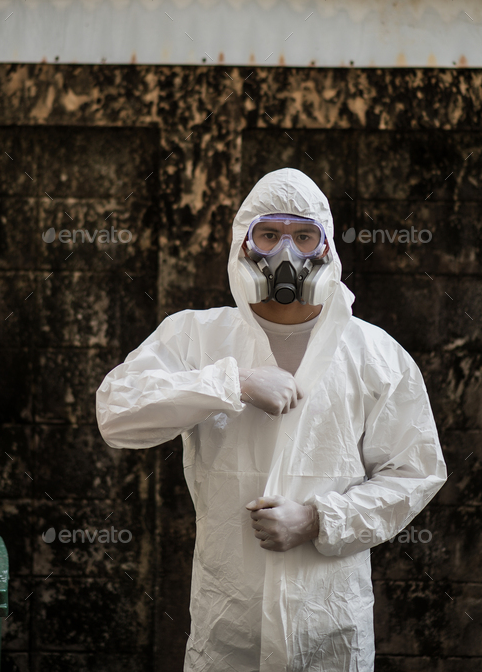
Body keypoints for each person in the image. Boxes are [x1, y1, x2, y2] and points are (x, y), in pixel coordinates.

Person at [96, 168, 447, 672]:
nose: (286, 252)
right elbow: (117, 413)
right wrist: (231, 383)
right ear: (244, 243)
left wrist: (319, 520)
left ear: (326, 249)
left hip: (329, 629)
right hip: (228, 627)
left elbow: (416, 472)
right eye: (269, 234)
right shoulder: (196, 337)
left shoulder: (374, 353)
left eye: (304, 236)